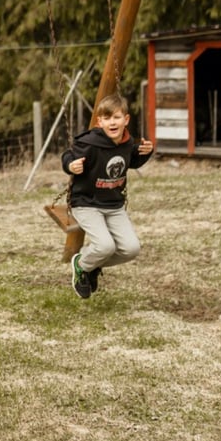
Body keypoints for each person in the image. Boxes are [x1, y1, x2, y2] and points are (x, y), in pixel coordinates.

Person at [61, 93, 153, 300]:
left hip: (113, 205)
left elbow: (132, 160)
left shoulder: (127, 143)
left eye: (117, 117)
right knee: (105, 246)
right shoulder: (90, 143)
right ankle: (81, 265)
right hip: (86, 203)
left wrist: (146, 152)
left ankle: (91, 265)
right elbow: (68, 155)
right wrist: (70, 166)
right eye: (107, 118)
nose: (112, 122)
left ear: (126, 120)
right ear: (99, 122)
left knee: (131, 249)